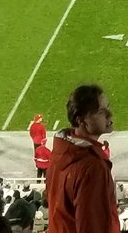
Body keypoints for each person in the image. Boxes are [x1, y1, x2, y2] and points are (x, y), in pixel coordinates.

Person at [47, 83, 117, 233]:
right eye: (101, 112)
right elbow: (92, 226)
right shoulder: (92, 166)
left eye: (108, 107)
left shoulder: (61, 150)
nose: (109, 115)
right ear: (81, 121)